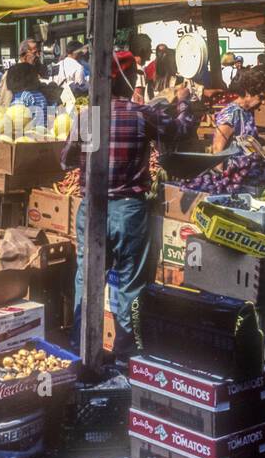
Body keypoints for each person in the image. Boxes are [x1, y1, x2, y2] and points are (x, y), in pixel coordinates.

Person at [62, 51, 197, 356]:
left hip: (91, 210)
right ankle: (126, 357)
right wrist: (184, 100)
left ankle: (81, 349)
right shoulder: (141, 114)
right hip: (127, 212)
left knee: (87, 280)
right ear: (129, 81)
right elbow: (180, 130)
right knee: (129, 285)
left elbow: (66, 159)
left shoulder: (88, 117)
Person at [210, 66, 265, 152]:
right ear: (248, 93)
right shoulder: (230, 115)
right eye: (261, 97)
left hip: (251, 163)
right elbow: (217, 149)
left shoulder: (246, 112)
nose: (263, 102)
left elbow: (247, 145)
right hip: (235, 165)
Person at [0, 38, 43, 106]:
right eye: (35, 53)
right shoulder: (12, 74)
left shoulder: (35, 71)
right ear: (24, 55)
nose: (38, 56)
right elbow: (5, 102)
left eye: (39, 52)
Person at [6, 62, 50, 127]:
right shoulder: (39, 94)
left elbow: (14, 117)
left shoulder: (23, 96)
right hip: (42, 129)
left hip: (27, 132)